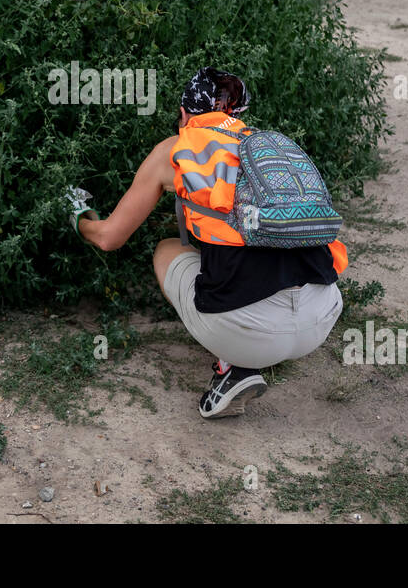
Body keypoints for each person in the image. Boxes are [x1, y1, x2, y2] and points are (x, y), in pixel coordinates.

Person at [67, 68, 347, 419]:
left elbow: (110, 238)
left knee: (167, 251)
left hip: (250, 332)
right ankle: (249, 350)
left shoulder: (177, 148)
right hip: (322, 314)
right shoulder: (264, 146)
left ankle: (234, 366)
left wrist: (79, 218)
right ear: (234, 113)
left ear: (184, 114)